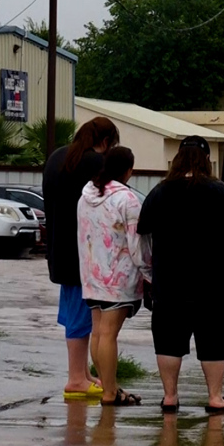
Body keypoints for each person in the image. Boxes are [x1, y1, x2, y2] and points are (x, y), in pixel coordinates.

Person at [138, 136, 224, 414]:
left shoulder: (159, 192)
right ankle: (215, 398)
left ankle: (170, 397)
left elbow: (143, 228)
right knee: (214, 342)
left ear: (176, 160)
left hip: (170, 284)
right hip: (214, 285)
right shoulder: (218, 191)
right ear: (207, 161)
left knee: (168, 342)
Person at [43, 117, 120, 399]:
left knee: (73, 310)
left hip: (58, 249)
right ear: (105, 142)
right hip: (85, 253)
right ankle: (76, 378)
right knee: (81, 315)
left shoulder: (56, 158)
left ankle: (83, 374)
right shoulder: (94, 164)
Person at [77, 146, 150, 406]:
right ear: (128, 170)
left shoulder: (86, 195)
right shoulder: (128, 200)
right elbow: (137, 244)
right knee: (108, 335)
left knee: (98, 333)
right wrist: (149, 272)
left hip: (91, 275)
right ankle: (109, 393)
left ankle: (111, 388)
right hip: (119, 278)